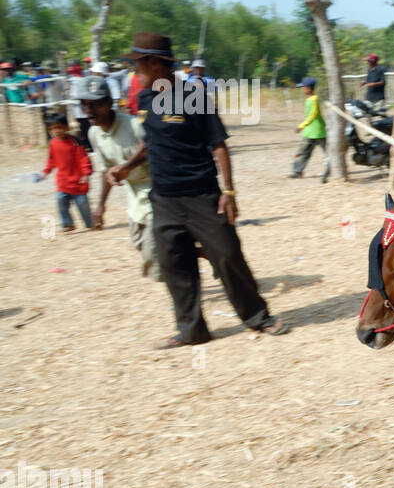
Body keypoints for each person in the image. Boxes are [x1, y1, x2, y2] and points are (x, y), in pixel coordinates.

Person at [105, 32, 288, 348]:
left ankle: (259, 318)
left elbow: (218, 145)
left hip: (202, 196)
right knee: (175, 265)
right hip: (163, 198)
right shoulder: (146, 98)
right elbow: (151, 142)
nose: (134, 71)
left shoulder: (194, 96)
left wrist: (228, 193)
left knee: (228, 256)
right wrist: (126, 166)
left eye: (137, 64)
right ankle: (192, 331)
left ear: (154, 63)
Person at [81, 74, 159, 280]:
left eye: (95, 104)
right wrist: (100, 206)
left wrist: (126, 166)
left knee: (154, 252)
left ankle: (182, 295)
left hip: (157, 191)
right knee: (139, 243)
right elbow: (105, 170)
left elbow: (151, 148)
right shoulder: (94, 134)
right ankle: (197, 253)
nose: (89, 111)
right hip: (134, 196)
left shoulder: (133, 125)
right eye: (85, 105)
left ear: (108, 103)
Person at [42, 113, 93, 232]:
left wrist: (86, 173)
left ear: (66, 127)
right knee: (61, 203)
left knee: (83, 204)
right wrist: (45, 172)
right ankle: (67, 224)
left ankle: (90, 224)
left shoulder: (76, 142)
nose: (56, 131)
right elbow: (51, 160)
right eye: (52, 128)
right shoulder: (52, 144)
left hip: (78, 182)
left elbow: (83, 159)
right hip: (63, 182)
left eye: (59, 127)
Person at [289, 76, 328, 181]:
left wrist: (301, 126)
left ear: (309, 88)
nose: (302, 89)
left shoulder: (314, 99)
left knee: (329, 152)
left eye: (303, 87)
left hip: (319, 132)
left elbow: (312, 115)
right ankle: (297, 171)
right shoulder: (309, 99)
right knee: (302, 151)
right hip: (309, 132)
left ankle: (332, 169)